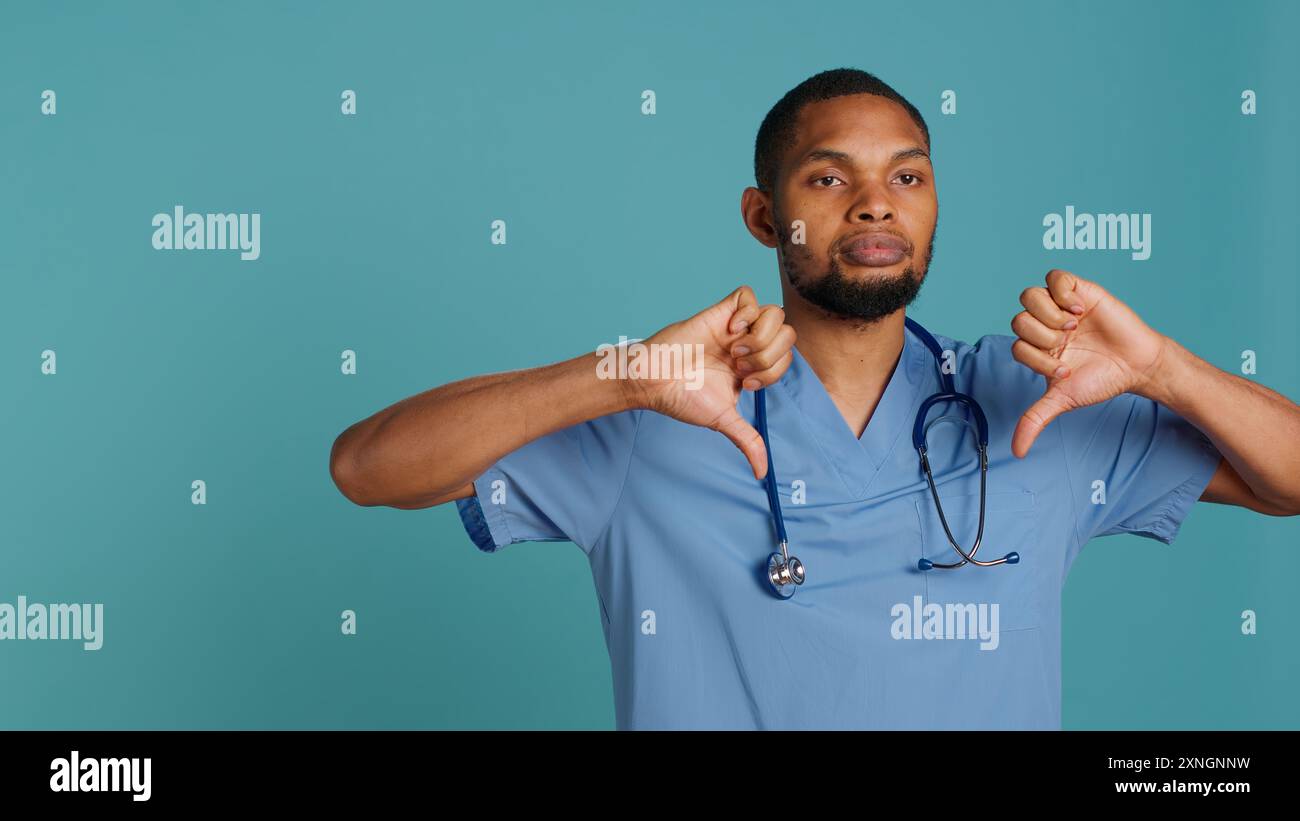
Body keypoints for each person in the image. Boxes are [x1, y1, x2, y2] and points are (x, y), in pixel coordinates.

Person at [329, 68, 1300, 730]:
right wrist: (618, 374)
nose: (875, 202)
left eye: (906, 176)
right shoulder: (659, 412)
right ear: (764, 215)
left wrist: (1165, 369)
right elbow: (368, 468)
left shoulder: (1040, 400)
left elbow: (1286, 480)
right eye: (828, 176)